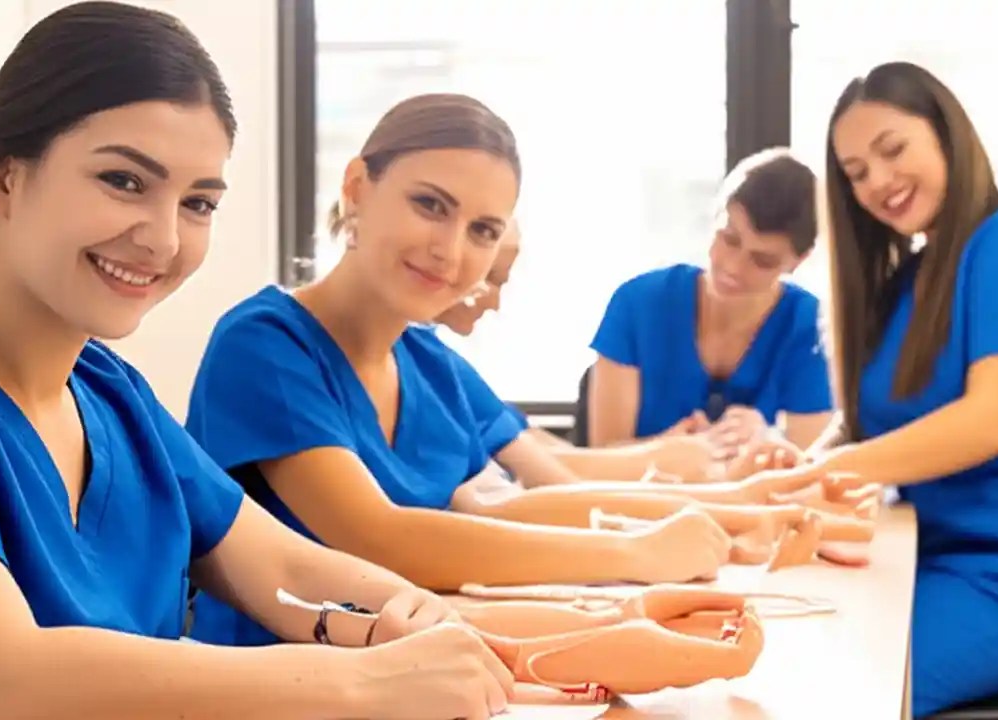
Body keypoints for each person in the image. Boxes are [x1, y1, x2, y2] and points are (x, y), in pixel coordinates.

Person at [0, 4, 518, 718]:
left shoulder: (112, 394)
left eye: (198, 203)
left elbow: (281, 566)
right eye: (124, 181)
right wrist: (365, 682)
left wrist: (426, 625)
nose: (162, 238)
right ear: (1, 178)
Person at [184, 93, 782, 648]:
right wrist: (634, 552)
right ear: (358, 188)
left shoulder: (429, 365)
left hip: (426, 669)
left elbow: (501, 509)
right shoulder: (265, 344)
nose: (451, 249)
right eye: (429, 205)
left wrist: (730, 516)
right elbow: (376, 538)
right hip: (287, 687)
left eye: (483, 231)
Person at [802, 60, 998, 716]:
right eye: (856, 174)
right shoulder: (903, 284)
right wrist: (797, 466)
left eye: (893, 150)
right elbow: (866, 423)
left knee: (835, 690)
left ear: (947, 134)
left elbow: (987, 422)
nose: (879, 181)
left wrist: (823, 471)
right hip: (927, 563)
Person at [434, 219, 794, 486]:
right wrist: (666, 460)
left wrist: (704, 467)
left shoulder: (449, 373)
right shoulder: (432, 369)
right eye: (492, 280)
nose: (495, 302)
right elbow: (547, 474)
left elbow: (544, 454)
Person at [587, 148, 834, 455]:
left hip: (755, 503)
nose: (732, 267)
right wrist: (671, 451)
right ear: (716, 215)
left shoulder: (811, 327)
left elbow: (812, 464)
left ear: (798, 261)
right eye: (729, 239)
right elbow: (600, 457)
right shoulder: (638, 304)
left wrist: (769, 441)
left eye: (762, 261)